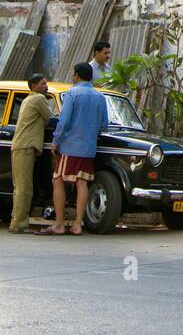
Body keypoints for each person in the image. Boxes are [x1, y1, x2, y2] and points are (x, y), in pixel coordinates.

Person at [48, 63, 109, 235]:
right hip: (89, 147)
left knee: (57, 179)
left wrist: (55, 140)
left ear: (76, 76)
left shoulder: (72, 93)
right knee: (82, 182)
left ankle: (59, 223)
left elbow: (64, 121)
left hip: (70, 146)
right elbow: (104, 124)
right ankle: (77, 224)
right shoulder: (100, 96)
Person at [9, 73, 53, 234]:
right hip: (26, 145)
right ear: (34, 86)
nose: (45, 86)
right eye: (42, 84)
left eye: (46, 83)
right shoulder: (38, 99)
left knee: (19, 186)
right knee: (24, 187)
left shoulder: (28, 99)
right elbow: (51, 118)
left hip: (20, 145)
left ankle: (16, 220)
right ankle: (18, 224)